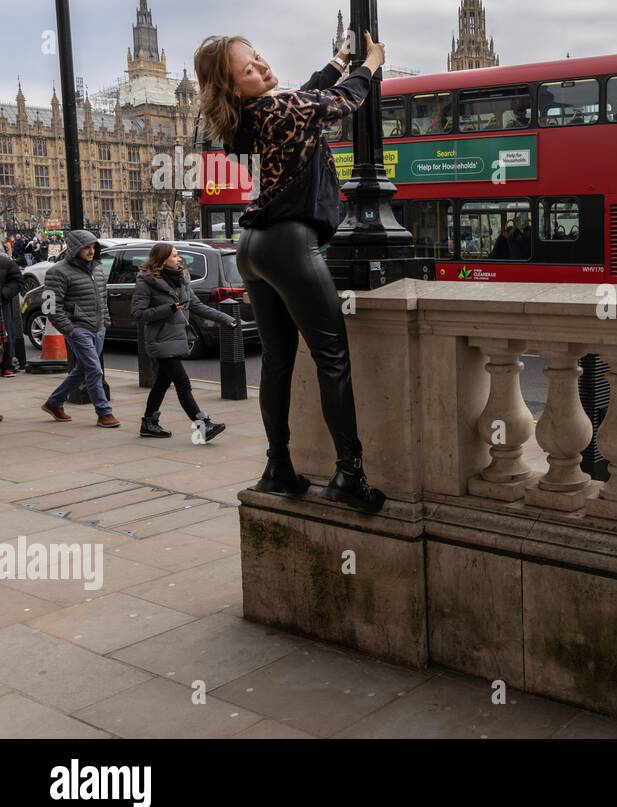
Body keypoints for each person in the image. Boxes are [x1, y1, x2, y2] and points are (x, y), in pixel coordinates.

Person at [193, 28, 386, 510]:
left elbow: (303, 97)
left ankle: (278, 468)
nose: (260, 65)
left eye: (256, 56)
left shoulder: (241, 121)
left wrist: (338, 60)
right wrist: (368, 66)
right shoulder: (278, 109)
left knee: (278, 362)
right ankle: (349, 476)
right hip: (291, 245)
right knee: (332, 360)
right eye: (249, 69)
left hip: (253, 246)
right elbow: (339, 103)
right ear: (237, 87)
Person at [131, 243, 238, 441]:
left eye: (177, 254)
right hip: (161, 341)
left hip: (177, 338)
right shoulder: (146, 282)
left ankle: (148, 423)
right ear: (162, 260)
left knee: (161, 384)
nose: (178, 258)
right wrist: (169, 309)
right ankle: (203, 425)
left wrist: (225, 318)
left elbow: (196, 305)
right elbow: (138, 314)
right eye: (174, 255)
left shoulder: (181, 279)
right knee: (183, 383)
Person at [40, 229, 119, 428]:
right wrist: (69, 329)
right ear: (75, 248)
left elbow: (102, 297)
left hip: (98, 327)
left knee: (83, 369)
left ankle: (54, 403)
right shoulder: (58, 271)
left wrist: (105, 321)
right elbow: (50, 307)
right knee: (94, 369)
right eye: (86, 247)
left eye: (93, 247)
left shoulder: (98, 267)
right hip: (78, 328)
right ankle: (104, 412)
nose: (91, 251)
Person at [0, 247, 21, 377]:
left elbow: (18, 280)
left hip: (2, 304)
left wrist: (4, 294)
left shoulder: (6, 262)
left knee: (4, 336)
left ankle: (6, 365)